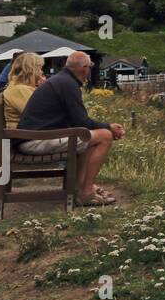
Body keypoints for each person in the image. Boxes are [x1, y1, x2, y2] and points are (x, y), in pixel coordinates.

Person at [16, 51, 124, 207]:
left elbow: (79, 123)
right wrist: (110, 128)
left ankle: (80, 189)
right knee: (105, 136)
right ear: (84, 68)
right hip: (34, 141)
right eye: (91, 66)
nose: (91, 69)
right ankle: (86, 192)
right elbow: (82, 122)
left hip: (33, 138)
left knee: (89, 138)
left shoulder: (62, 81)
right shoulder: (68, 84)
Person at [1, 52, 46, 128]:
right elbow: (40, 115)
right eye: (40, 68)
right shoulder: (18, 89)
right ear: (31, 70)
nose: (42, 72)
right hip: (23, 135)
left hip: (29, 132)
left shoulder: (22, 87)